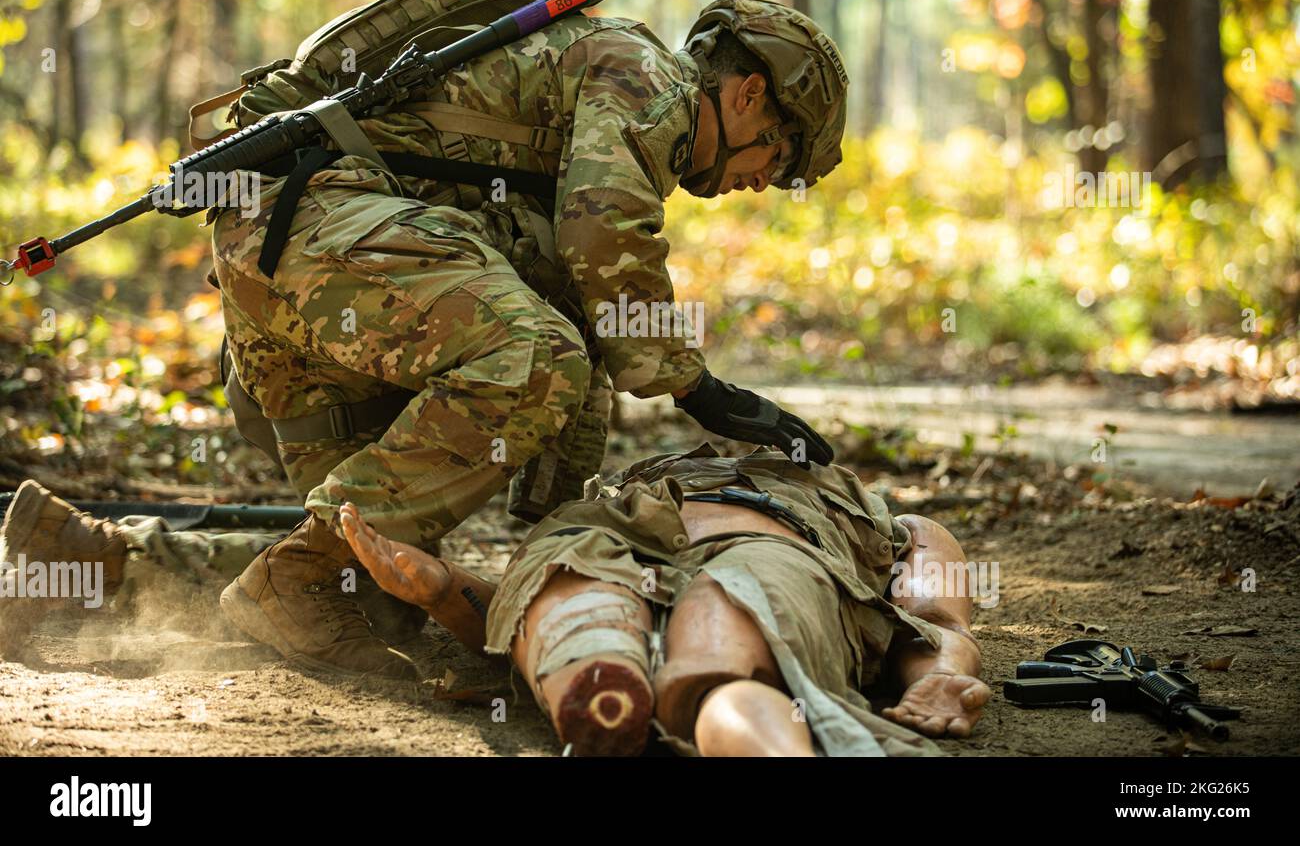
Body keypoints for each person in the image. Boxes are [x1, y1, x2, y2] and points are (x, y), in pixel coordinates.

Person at [208, 0, 851, 679]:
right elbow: (605, 241)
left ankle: (158, 566)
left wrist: (556, 535)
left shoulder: (594, 105)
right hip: (308, 229)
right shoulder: (648, 78)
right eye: (780, 157)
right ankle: (286, 577)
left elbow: (581, 311)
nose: (764, 182)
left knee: (370, 586)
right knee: (535, 358)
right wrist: (699, 390)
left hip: (293, 253)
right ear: (749, 95)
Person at [0, 444, 989, 756]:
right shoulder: (612, 482)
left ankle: (697, 707)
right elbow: (494, 610)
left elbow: (937, 619)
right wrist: (437, 588)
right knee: (573, 611)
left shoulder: (864, 511)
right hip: (591, 538)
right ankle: (607, 695)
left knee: (712, 646)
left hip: (757, 550)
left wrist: (946, 675)